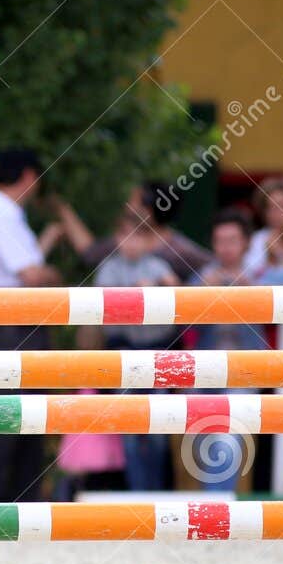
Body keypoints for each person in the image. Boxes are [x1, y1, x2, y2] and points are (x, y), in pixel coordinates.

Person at [0, 149, 62, 502]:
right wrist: (54, 275)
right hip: (10, 327)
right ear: (29, 177)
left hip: (8, 326)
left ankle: (16, 503)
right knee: (10, 420)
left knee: (23, 420)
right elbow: (31, 274)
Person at [94, 208, 178, 491]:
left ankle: (156, 492)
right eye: (124, 236)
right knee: (129, 428)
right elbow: (103, 307)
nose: (130, 242)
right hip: (124, 355)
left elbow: (175, 290)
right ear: (117, 239)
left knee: (158, 428)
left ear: (148, 241)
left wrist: (156, 286)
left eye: (137, 237)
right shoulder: (109, 268)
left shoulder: (157, 266)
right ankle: (136, 493)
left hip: (157, 353)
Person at [190, 208, 265, 489]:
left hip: (244, 372)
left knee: (225, 438)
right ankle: (213, 503)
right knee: (204, 443)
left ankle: (216, 506)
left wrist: (253, 291)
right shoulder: (201, 278)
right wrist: (199, 295)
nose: (226, 248)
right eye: (220, 241)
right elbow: (179, 327)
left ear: (246, 242)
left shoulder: (262, 277)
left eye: (232, 240)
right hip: (202, 374)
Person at [54, 182, 212, 283]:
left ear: (148, 211)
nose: (127, 206)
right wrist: (63, 209)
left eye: (133, 201)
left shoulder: (181, 250)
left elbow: (214, 267)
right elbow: (90, 252)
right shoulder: (124, 240)